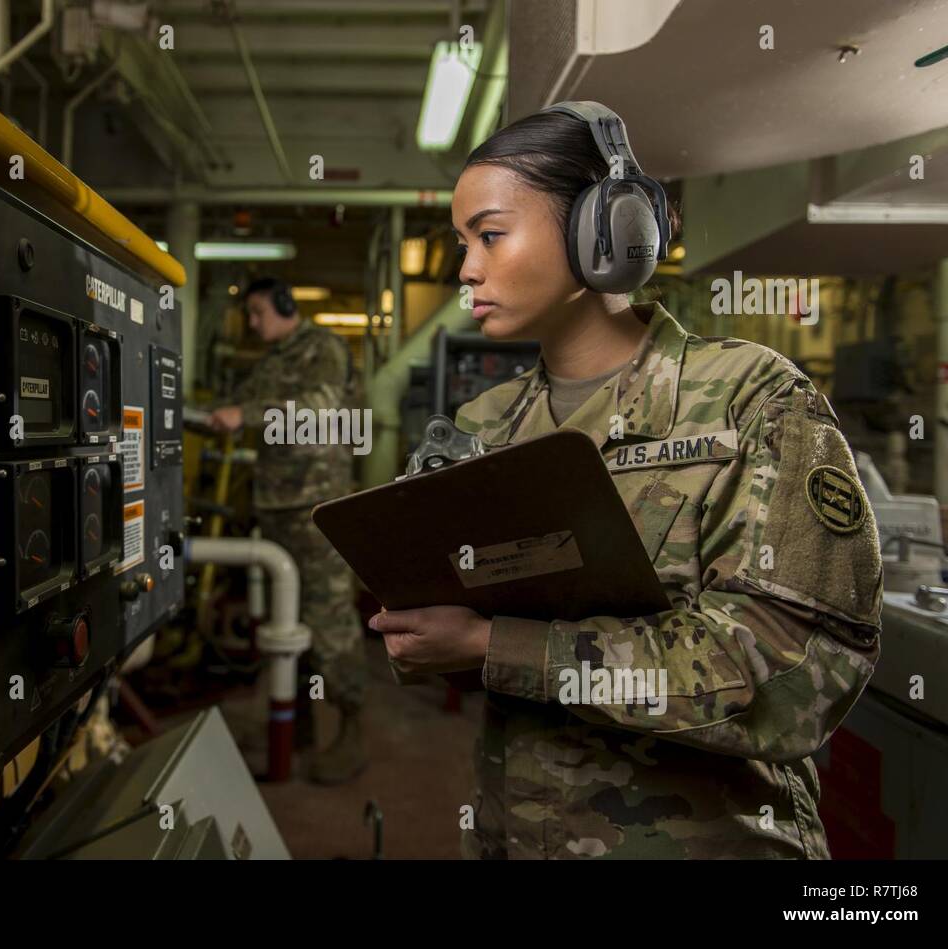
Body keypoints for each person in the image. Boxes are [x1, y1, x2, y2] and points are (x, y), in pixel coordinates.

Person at [367, 103, 882, 858]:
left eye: (491, 234)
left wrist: (495, 643)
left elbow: (788, 675)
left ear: (604, 231)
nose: (467, 268)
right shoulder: (487, 422)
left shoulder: (751, 399)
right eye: (461, 242)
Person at [209, 277, 369, 784]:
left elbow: (322, 408)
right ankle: (296, 723)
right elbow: (237, 410)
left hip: (316, 505)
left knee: (328, 619)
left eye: (257, 313)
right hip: (275, 505)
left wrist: (247, 414)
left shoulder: (323, 349)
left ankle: (353, 726)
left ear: (283, 305)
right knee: (287, 619)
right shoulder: (271, 361)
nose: (252, 324)